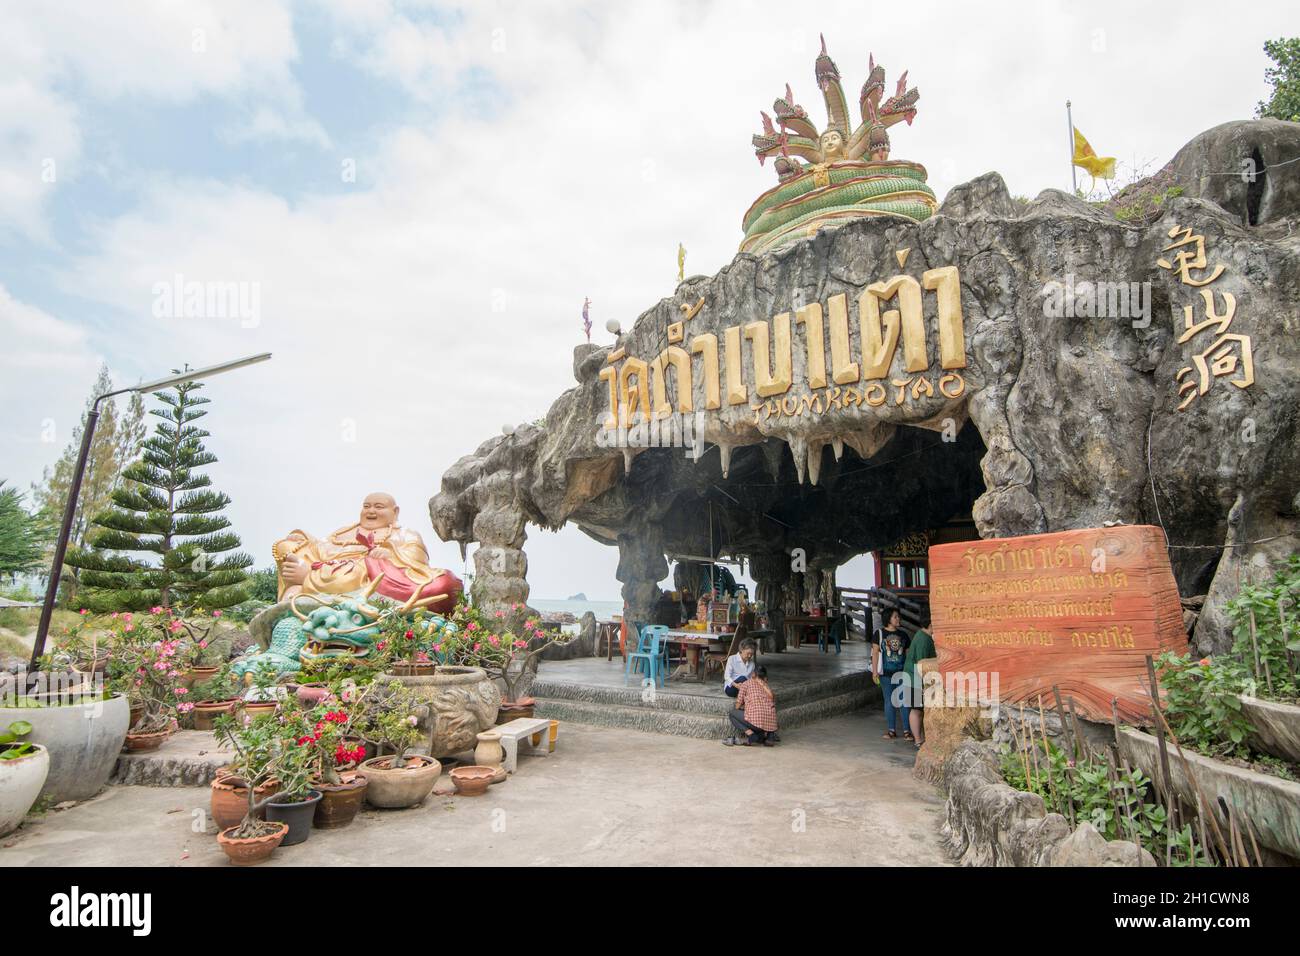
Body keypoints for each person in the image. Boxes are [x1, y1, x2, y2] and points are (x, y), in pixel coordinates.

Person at [872, 608, 911, 740]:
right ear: (888, 619)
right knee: (889, 701)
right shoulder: (879, 634)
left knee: (904, 701)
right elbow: (875, 653)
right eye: (895, 617)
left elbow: (908, 655)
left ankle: (907, 731)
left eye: (898, 617)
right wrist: (874, 671)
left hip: (902, 673)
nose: (898, 619)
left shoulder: (904, 635)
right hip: (886, 674)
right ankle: (891, 730)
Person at [902, 608, 937, 749]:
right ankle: (918, 740)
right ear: (931, 624)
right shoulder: (924, 639)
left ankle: (920, 738)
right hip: (914, 678)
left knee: (919, 709)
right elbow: (923, 664)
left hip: (914, 677)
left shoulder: (923, 636)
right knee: (916, 709)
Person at [724, 665, 778, 746]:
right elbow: (773, 700)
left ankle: (751, 735)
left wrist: (743, 707)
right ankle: (770, 736)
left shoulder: (746, 683)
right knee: (768, 712)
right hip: (771, 724)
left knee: (732, 713)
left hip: (756, 722)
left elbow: (738, 705)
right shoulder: (767, 687)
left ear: (753, 674)